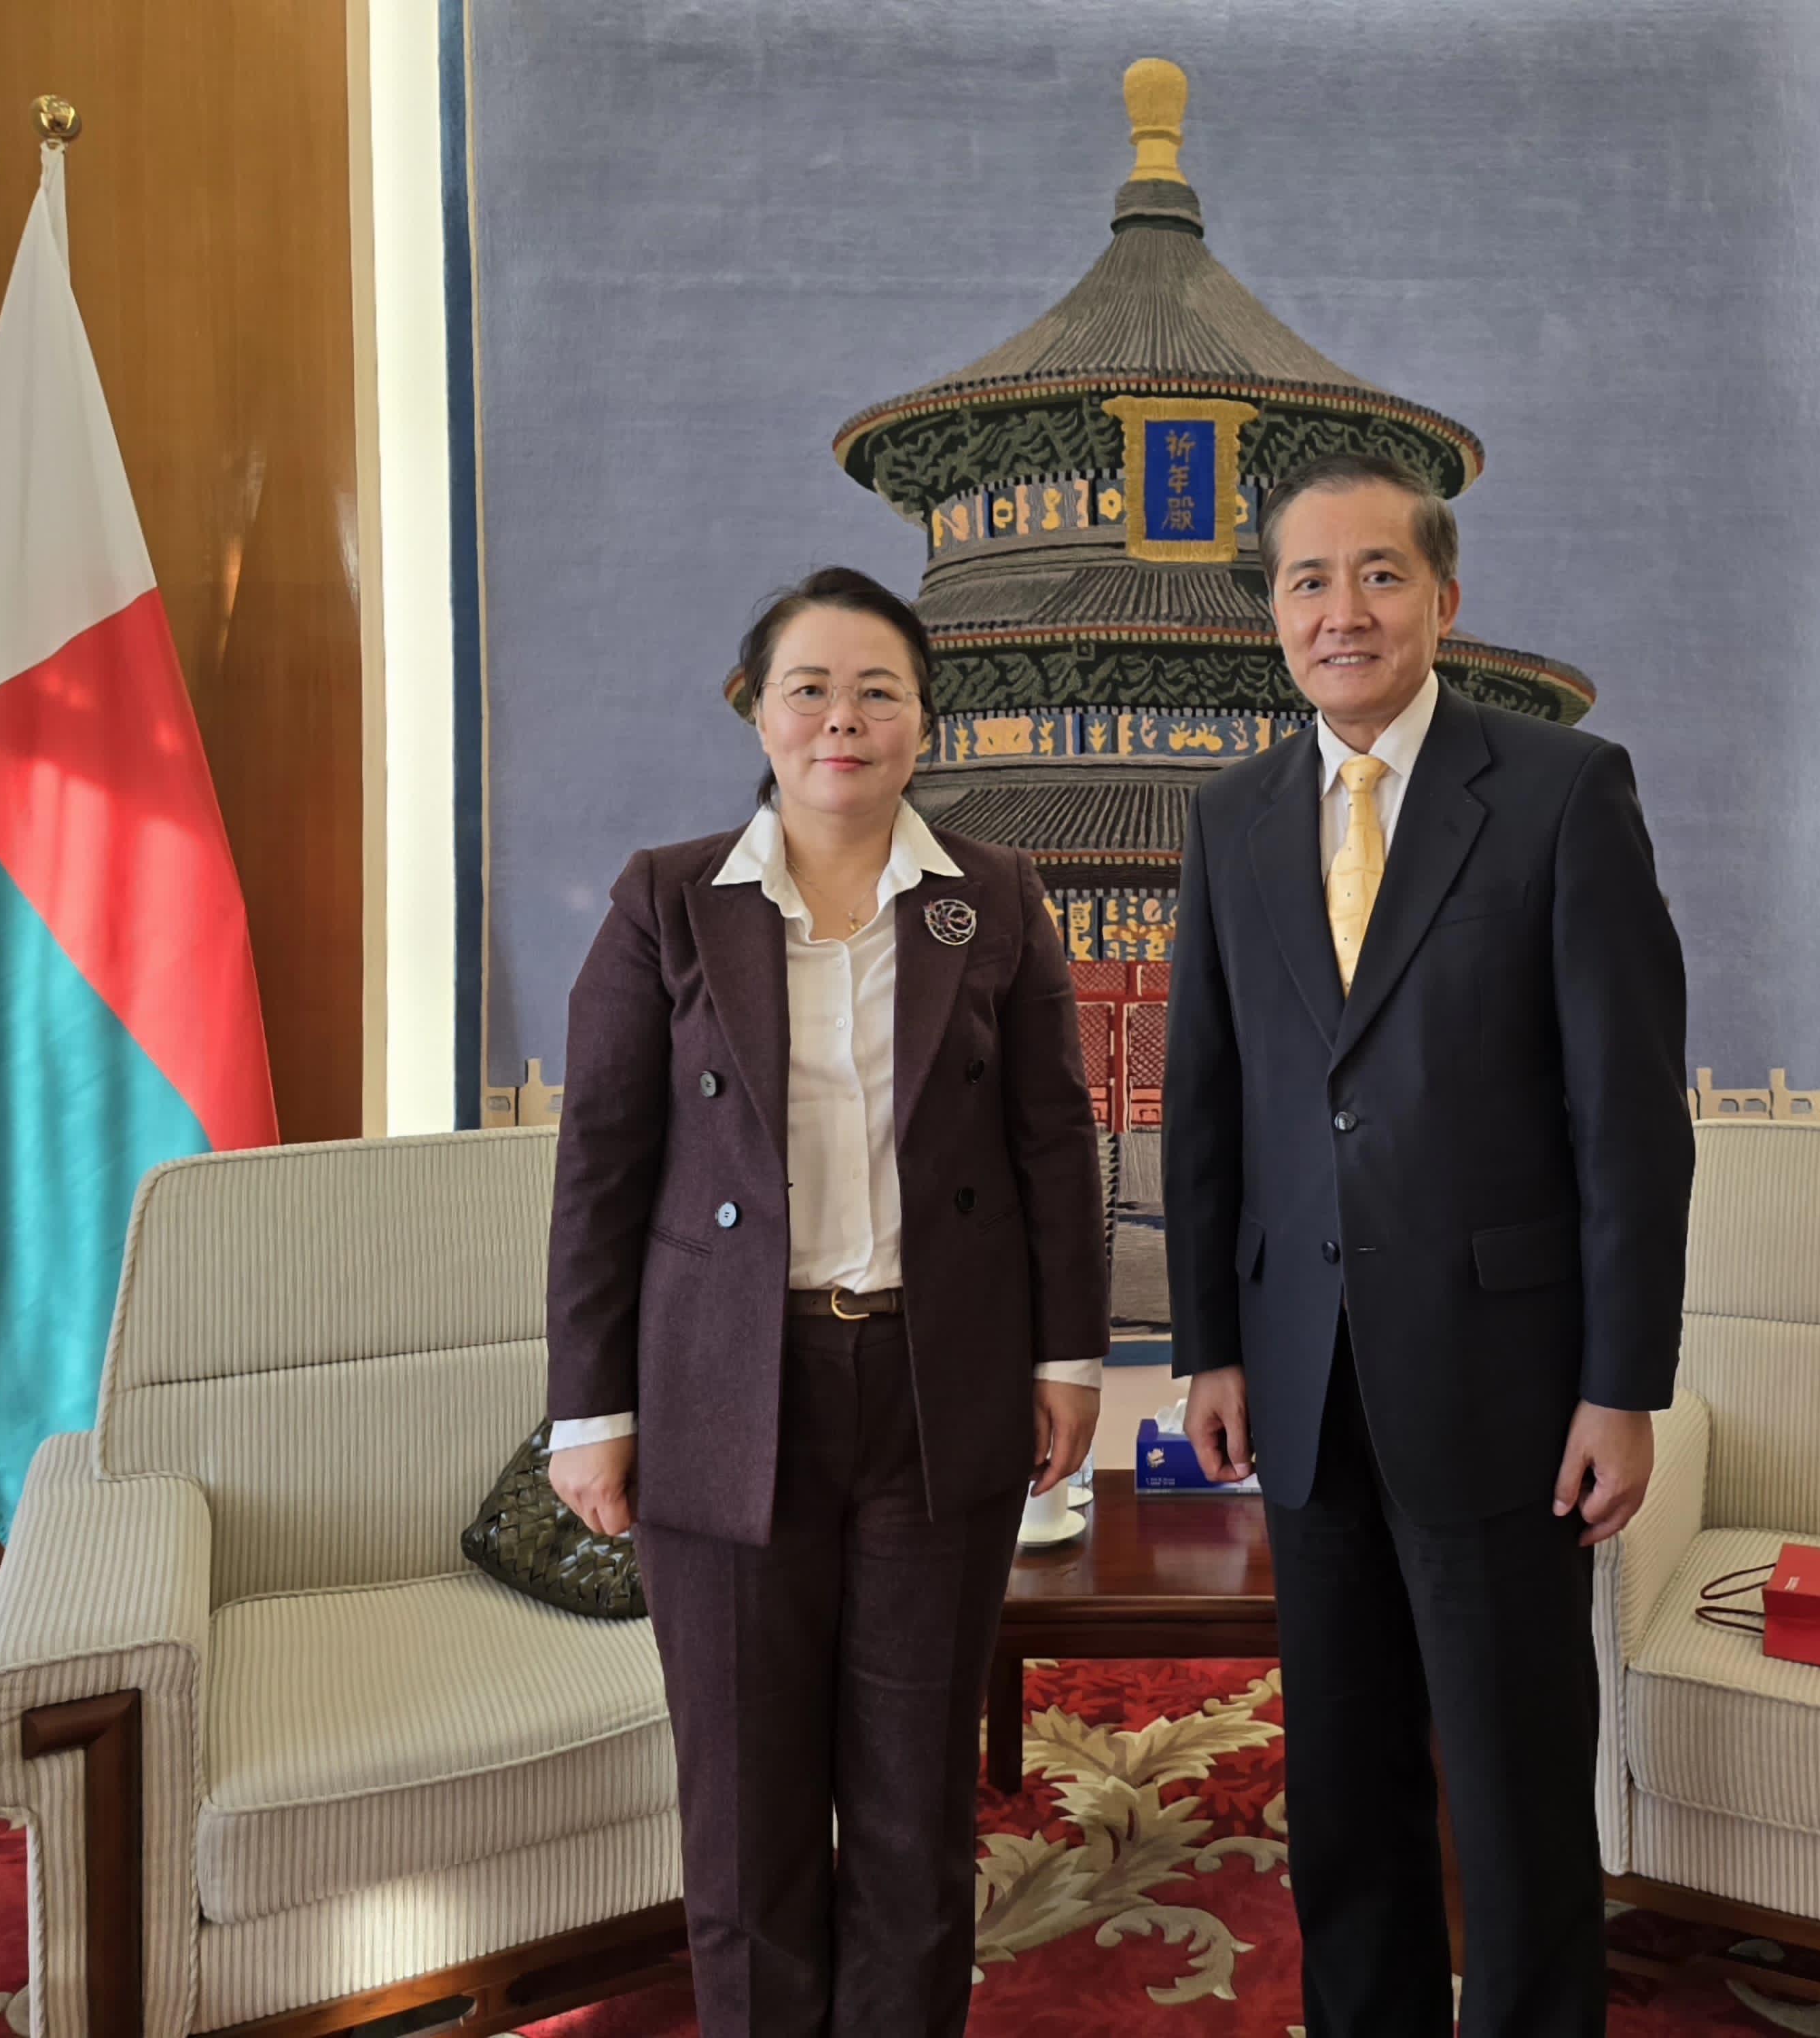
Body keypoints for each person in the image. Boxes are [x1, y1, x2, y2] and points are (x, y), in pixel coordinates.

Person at [1164, 454, 1694, 2035]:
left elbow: (1627, 1117)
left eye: (1378, 576)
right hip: (1305, 1385)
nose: (1343, 610)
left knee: (1519, 1778)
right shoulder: (1232, 818)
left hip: (1505, 1380)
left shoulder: (1556, 791)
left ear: (1443, 602)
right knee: (1342, 1782)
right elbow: (1208, 1106)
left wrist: (1621, 1383)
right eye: (1307, 581)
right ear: (1271, 614)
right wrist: (1209, 1344)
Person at [545, 566, 1108, 2038]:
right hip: (728, 1391)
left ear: (925, 724)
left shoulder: (987, 899)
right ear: (758, 710)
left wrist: (1067, 1360)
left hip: (938, 1391)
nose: (842, 719)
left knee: (916, 1802)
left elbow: (1053, 1138)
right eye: (810, 688)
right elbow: (601, 1165)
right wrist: (589, 1411)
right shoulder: (667, 901)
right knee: (745, 1804)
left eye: (878, 691)